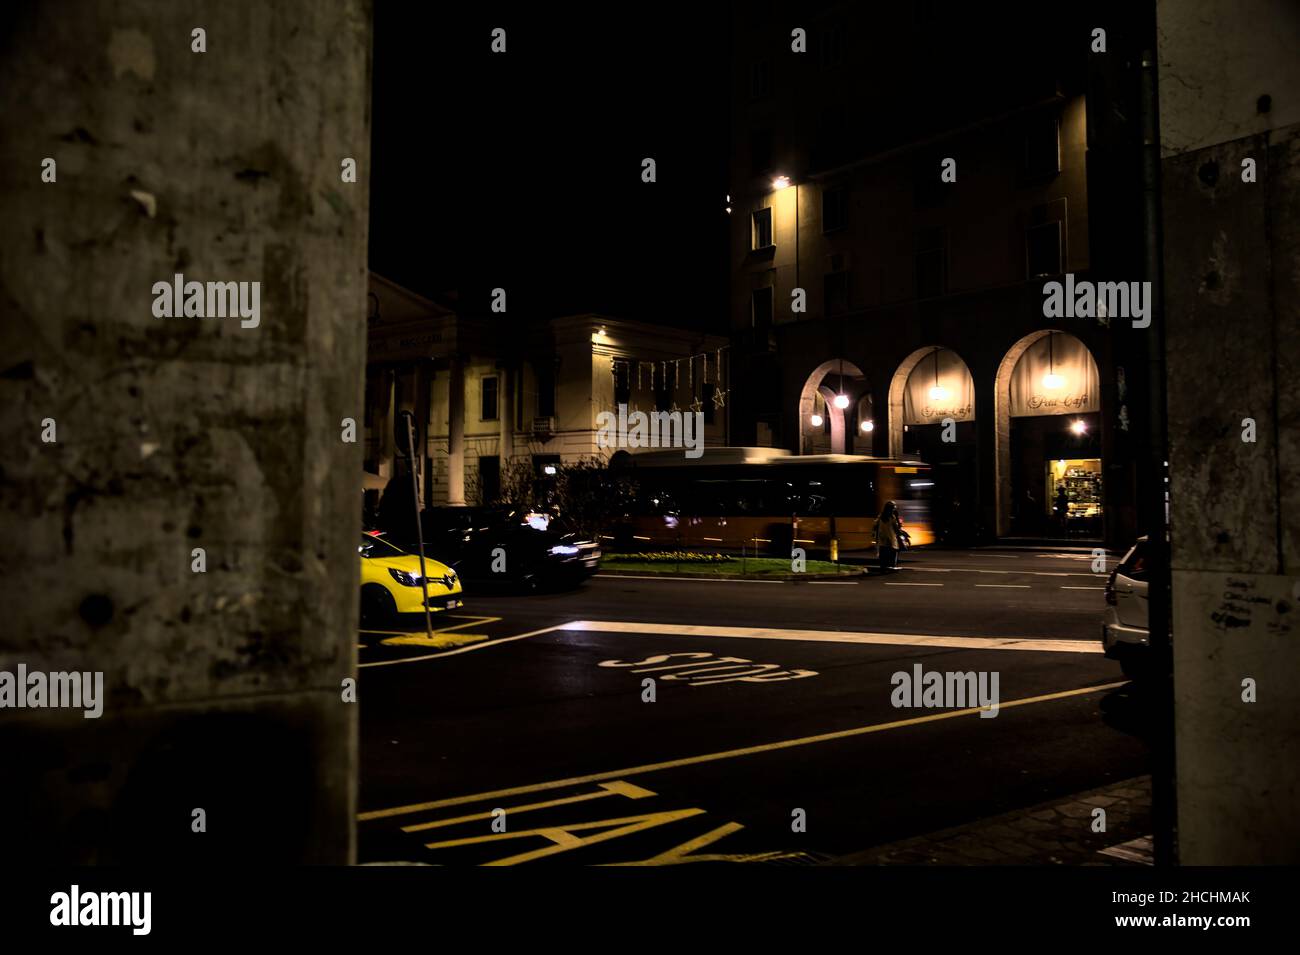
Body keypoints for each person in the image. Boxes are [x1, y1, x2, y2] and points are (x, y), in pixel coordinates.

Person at [874, 500, 904, 574]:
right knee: (894, 552)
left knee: (883, 553)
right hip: (890, 538)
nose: (894, 509)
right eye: (893, 508)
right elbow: (896, 528)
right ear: (891, 509)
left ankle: (883, 567)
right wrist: (901, 533)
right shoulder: (892, 517)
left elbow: (875, 525)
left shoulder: (880, 516)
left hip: (882, 539)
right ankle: (892, 566)